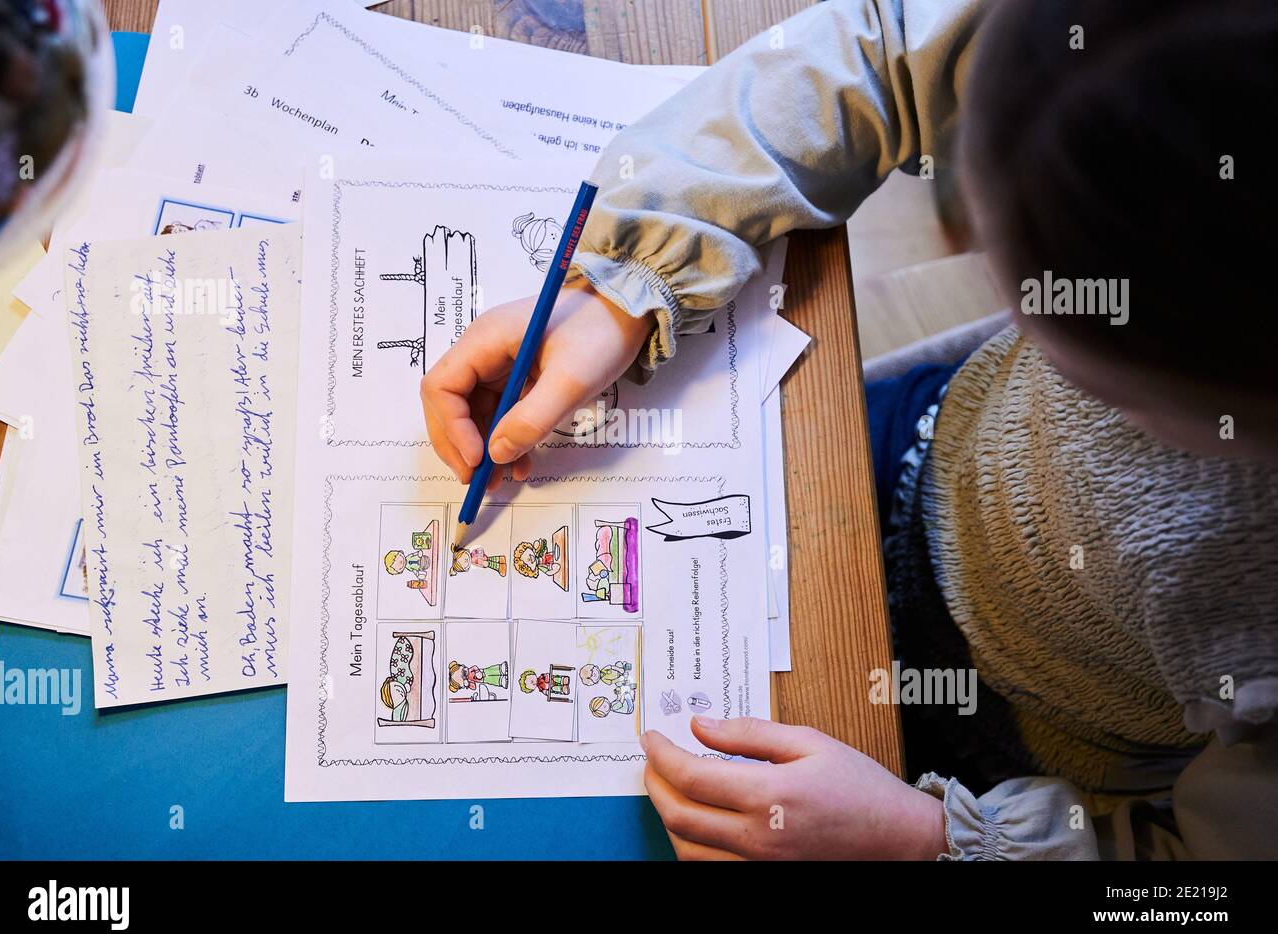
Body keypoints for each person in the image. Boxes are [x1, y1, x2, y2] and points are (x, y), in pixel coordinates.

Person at [421, 0, 1278, 859]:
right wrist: (630, 281)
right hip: (924, 447)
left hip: (1026, 765)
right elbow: (887, 43)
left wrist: (926, 839)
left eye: (1084, 361)